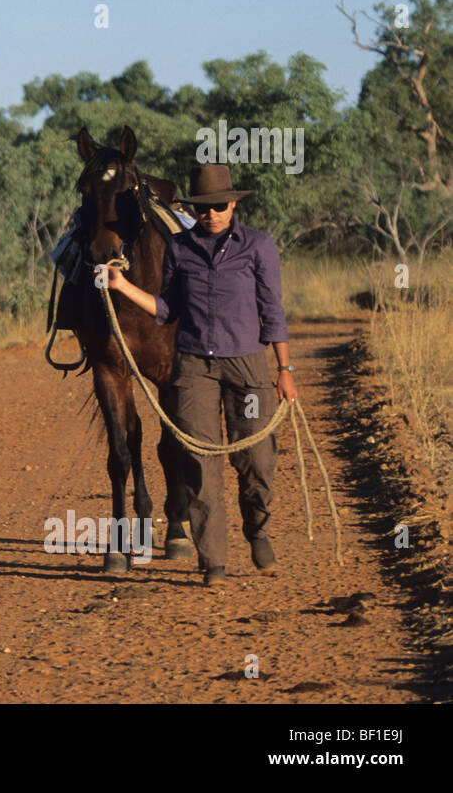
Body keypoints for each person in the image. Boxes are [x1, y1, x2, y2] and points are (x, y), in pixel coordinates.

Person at [105, 163, 296, 587]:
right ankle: (213, 561)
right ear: (194, 208)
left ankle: (258, 530)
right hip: (193, 367)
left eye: (220, 206)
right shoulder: (179, 248)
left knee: (258, 459)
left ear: (234, 205)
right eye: (203, 208)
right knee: (198, 460)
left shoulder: (259, 247)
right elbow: (167, 308)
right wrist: (121, 287)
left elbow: (273, 312)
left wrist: (284, 369)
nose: (212, 215)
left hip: (248, 364)